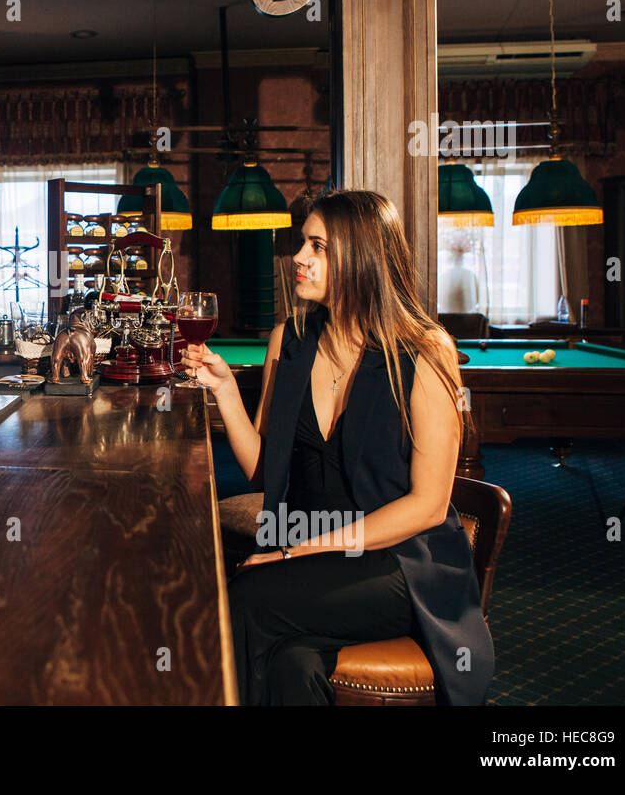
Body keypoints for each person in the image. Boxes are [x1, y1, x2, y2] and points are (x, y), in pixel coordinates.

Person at [182, 189, 492, 705]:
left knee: (244, 600)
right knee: (291, 665)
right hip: (307, 554)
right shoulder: (291, 337)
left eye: (318, 246)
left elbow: (429, 504)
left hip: (399, 565)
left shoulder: (423, 348)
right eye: (304, 244)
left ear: (364, 258)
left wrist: (296, 551)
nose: (299, 258)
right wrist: (225, 391)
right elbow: (266, 471)